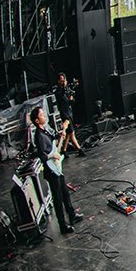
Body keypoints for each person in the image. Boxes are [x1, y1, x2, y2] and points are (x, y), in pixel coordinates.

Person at [31, 106, 83, 234]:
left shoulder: (47, 128)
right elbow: (42, 156)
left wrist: (61, 133)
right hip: (50, 169)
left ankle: (72, 215)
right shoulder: (38, 136)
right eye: (42, 115)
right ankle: (62, 226)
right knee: (58, 198)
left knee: (65, 193)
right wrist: (51, 155)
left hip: (56, 166)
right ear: (37, 120)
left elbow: (54, 135)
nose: (45, 116)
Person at [54, 74, 85, 156]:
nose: (63, 81)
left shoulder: (67, 90)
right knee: (71, 133)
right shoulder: (58, 91)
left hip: (69, 112)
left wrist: (71, 98)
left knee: (68, 133)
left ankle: (64, 150)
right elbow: (60, 96)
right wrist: (65, 87)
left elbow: (70, 102)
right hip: (65, 114)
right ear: (58, 81)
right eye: (61, 79)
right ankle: (80, 150)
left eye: (64, 79)